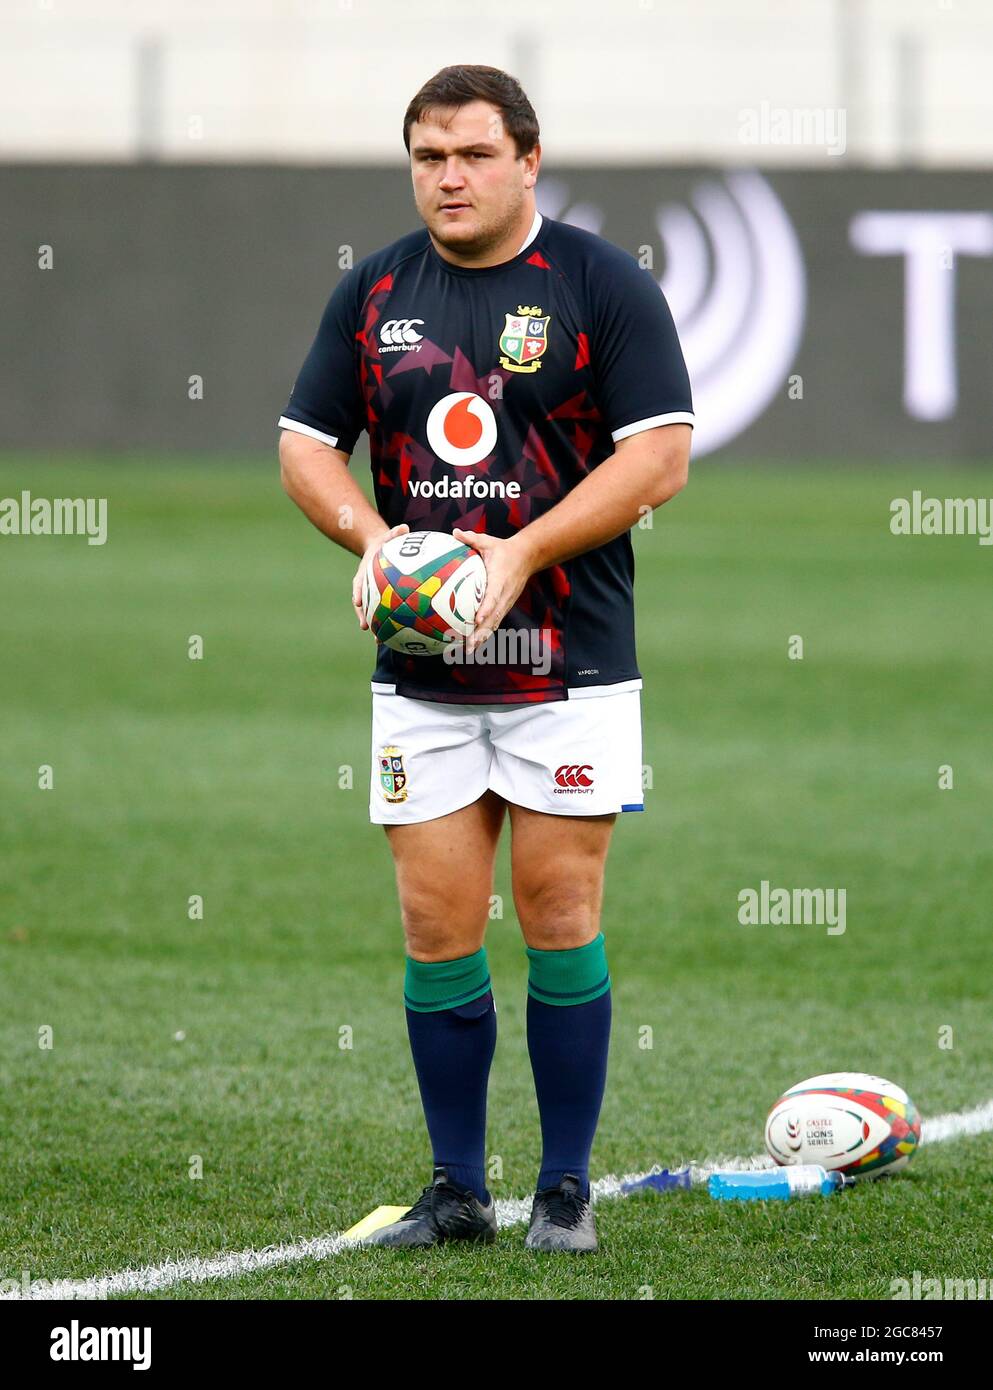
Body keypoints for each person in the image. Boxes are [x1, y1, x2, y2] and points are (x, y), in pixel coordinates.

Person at [278, 63, 693, 1252]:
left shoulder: (601, 284)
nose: (446, 177)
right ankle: (457, 1188)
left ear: (527, 158)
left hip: (568, 657)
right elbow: (307, 446)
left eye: (470, 153)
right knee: (435, 918)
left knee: (560, 908)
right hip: (424, 668)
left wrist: (516, 554)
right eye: (426, 156)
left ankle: (563, 1185)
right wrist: (373, 540)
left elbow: (657, 457)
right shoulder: (374, 291)